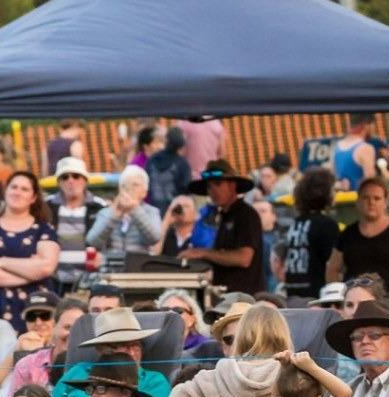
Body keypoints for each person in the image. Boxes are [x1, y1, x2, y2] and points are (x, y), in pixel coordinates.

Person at [49, 308, 171, 397]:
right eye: (124, 347)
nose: (132, 353)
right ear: (101, 349)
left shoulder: (153, 380)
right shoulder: (78, 372)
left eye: (136, 345)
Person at [0, 171, 60, 330]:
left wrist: (3, 262)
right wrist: (31, 273)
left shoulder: (44, 229)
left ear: (33, 197)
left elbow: (46, 267)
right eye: (14, 187)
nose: (18, 192)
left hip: (36, 310)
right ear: (6, 191)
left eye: (24, 189)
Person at [329, 174, 389, 296]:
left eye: (377, 198)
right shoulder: (347, 235)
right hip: (356, 304)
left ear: (385, 202)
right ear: (358, 201)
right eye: (366, 198)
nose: (371, 202)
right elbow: (332, 270)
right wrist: (339, 297)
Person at [176, 164, 265, 297]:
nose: (213, 190)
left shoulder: (246, 214)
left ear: (233, 185)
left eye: (218, 184)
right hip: (225, 296)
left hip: (244, 298)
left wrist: (201, 253)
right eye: (209, 186)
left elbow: (244, 258)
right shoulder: (222, 216)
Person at [0, 295, 82, 397]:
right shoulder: (25, 360)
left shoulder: (92, 361)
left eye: (45, 316)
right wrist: (16, 349)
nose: (38, 323)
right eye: (31, 317)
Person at [275, 168, 340, 299]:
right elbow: (332, 265)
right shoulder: (327, 224)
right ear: (324, 193)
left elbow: (277, 258)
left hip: (292, 294)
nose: (336, 193)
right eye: (333, 189)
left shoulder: (295, 223)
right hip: (317, 297)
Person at [85, 166, 162, 275]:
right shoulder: (106, 213)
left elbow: (155, 237)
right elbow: (92, 240)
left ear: (144, 192)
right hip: (109, 274)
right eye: (125, 185)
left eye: (135, 185)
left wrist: (134, 210)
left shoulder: (151, 212)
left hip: (140, 272)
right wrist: (115, 215)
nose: (130, 188)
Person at [47, 157, 107, 293]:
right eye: (64, 177)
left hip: (91, 280)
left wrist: (104, 258)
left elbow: (112, 241)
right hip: (53, 280)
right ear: (59, 182)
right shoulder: (46, 206)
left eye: (75, 176)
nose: (70, 181)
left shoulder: (100, 207)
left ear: (85, 180)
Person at [144, 124, 192, 212]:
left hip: (153, 210)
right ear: (181, 144)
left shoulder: (152, 160)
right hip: (174, 212)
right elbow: (186, 189)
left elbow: (145, 181)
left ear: (166, 140)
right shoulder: (182, 164)